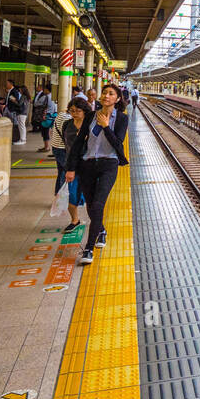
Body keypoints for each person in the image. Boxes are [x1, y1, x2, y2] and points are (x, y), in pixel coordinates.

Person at [68, 84, 129, 266]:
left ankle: (88, 248)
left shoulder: (122, 119)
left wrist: (106, 127)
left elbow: (118, 145)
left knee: (98, 204)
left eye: (111, 94)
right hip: (88, 164)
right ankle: (101, 230)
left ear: (117, 99)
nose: (106, 96)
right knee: (91, 204)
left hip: (109, 164)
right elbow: (79, 142)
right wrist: (70, 167)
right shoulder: (90, 117)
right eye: (105, 93)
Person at [55, 98, 89, 232]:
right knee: (71, 194)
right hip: (72, 166)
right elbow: (67, 145)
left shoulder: (90, 125)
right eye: (72, 111)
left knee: (92, 196)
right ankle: (75, 220)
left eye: (78, 111)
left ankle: (98, 223)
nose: (74, 113)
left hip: (89, 164)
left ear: (85, 111)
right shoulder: (67, 124)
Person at [32, 82, 53, 151]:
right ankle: (47, 146)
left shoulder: (46, 97)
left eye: (44, 89)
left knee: (45, 131)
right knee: (47, 131)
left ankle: (46, 147)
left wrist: (44, 115)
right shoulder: (53, 96)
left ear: (47, 89)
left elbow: (37, 105)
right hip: (51, 116)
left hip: (46, 117)